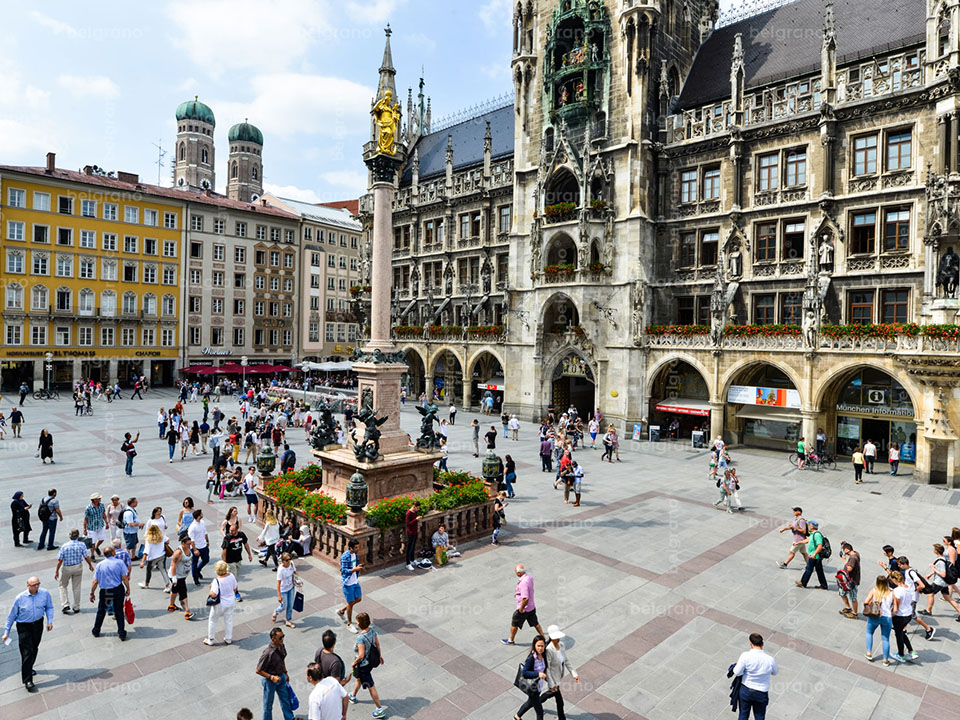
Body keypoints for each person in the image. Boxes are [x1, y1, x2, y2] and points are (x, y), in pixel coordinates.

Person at [2, 577, 54, 692]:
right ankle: (27, 680)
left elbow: (49, 607)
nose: (36, 586)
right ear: (28, 585)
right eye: (34, 584)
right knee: (27, 652)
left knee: (34, 648)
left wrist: (50, 621)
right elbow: (11, 616)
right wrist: (6, 632)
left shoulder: (44, 594)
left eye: (38, 584)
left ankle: (29, 667)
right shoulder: (20, 598)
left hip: (38, 625)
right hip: (24, 626)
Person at [732, 633, 778, 719]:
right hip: (761, 692)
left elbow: (737, 672)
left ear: (751, 643)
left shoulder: (745, 656)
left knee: (743, 714)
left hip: (746, 690)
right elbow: (775, 672)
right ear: (762, 644)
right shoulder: (770, 660)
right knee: (760, 716)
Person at [349, 612, 385, 717]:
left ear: (360, 623)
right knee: (359, 679)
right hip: (370, 662)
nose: (356, 623)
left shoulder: (361, 638)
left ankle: (379, 709)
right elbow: (377, 644)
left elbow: (361, 655)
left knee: (371, 686)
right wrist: (380, 655)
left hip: (363, 665)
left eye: (357, 621)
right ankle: (353, 695)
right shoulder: (373, 631)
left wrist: (354, 663)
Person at [89, 546, 131, 640]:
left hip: (105, 591)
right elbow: (124, 578)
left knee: (101, 611)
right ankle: (121, 633)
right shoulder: (119, 563)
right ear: (113, 553)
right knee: (119, 611)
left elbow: (95, 581)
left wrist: (92, 593)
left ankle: (96, 630)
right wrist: (128, 588)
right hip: (118, 589)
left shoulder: (100, 565)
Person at [256, 627, 295, 720]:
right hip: (270, 681)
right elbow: (258, 670)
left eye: (283, 636)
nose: (282, 639)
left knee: (285, 700)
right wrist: (271, 677)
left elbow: (282, 660)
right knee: (268, 705)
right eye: (280, 638)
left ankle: (289, 718)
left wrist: (285, 673)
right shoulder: (267, 653)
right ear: (273, 639)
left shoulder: (281, 646)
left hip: (281, 677)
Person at [541, 625, 579, 720]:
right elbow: (547, 668)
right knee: (559, 700)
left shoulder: (561, 645)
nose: (558, 639)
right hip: (553, 679)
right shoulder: (549, 649)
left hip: (557, 677)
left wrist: (574, 674)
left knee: (549, 695)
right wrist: (551, 683)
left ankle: (535, 702)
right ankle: (562, 718)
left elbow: (566, 660)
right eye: (555, 637)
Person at [502, 564, 545, 645]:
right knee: (535, 623)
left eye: (515, 571)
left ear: (518, 573)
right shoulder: (529, 577)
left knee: (515, 624)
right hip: (531, 607)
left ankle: (511, 640)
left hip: (524, 609)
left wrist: (521, 609)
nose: (514, 572)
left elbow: (525, 598)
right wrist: (518, 593)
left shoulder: (523, 583)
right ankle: (543, 637)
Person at [55, 529, 95, 614]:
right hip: (78, 567)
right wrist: (90, 565)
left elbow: (60, 559)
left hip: (67, 567)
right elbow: (86, 556)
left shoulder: (64, 546)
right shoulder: (82, 544)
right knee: (76, 587)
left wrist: (57, 571)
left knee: (63, 585)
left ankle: (65, 604)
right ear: (78, 536)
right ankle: (76, 606)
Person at [896, 556, 936, 640]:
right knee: (906, 612)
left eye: (900, 565)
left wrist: (915, 589)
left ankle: (929, 629)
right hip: (910, 596)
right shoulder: (908, 570)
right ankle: (904, 629)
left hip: (912, 598)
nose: (899, 566)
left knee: (913, 615)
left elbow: (922, 585)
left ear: (905, 564)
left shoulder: (911, 572)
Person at [864, 574, 897, 666]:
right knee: (885, 639)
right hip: (887, 617)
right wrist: (892, 615)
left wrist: (872, 604)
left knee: (869, 633)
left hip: (875, 616)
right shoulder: (892, 592)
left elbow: (866, 602)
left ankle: (869, 653)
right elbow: (894, 608)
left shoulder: (874, 591)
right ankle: (885, 660)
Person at [204, 561, 239, 646]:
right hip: (230, 602)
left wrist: (210, 589)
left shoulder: (216, 580)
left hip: (220, 604)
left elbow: (213, 594)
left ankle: (210, 639)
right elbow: (235, 588)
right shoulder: (231, 576)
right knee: (228, 620)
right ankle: (228, 639)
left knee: (213, 620)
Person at [515, 635, 548, 720]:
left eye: (542, 646)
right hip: (533, 688)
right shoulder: (531, 658)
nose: (540, 648)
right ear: (534, 646)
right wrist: (538, 674)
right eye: (538, 646)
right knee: (540, 713)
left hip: (538, 686)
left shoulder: (543, 656)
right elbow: (525, 673)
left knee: (529, 703)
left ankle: (517, 716)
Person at [889, 571, 918, 662]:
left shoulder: (897, 591)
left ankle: (900, 655)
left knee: (899, 635)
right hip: (908, 614)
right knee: (901, 632)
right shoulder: (908, 588)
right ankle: (911, 651)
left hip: (899, 616)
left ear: (894, 579)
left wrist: (890, 615)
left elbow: (896, 607)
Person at [168, 535, 197, 620]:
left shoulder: (188, 548)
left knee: (175, 590)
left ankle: (171, 605)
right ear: (182, 543)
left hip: (183, 574)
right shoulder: (178, 552)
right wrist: (174, 578)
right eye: (188, 544)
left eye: (190, 544)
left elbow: (189, 557)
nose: (189, 546)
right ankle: (187, 612)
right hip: (177, 576)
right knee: (183, 592)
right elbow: (173, 565)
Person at [338, 539, 364, 633]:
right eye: (356, 547)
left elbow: (356, 564)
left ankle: (342, 610)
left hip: (355, 581)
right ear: (350, 548)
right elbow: (344, 571)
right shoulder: (345, 557)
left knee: (359, 598)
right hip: (348, 583)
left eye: (358, 547)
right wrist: (355, 569)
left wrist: (359, 566)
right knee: (350, 602)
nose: (358, 549)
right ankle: (349, 623)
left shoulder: (355, 554)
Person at [221, 522, 252, 602]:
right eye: (230, 530)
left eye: (232, 530)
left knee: (235, 577)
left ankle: (228, 588)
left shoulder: (241, 535)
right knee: (234, 578)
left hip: (238, 559)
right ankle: (236, 593)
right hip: (230, 561)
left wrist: (249, 554)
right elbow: (224, 550)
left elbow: (246, 544)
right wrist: (224, 562)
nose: (230, 532)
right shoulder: (227, 538)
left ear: (237, 530)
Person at [795, 520, 828, 590]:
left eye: (809, 525)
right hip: (815, 556)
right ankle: (824, 585)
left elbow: (820, 546)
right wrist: (798, 543)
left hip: (815, 556)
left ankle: (803, 583)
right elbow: (808, 540)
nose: (808, 526)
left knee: (808, 569)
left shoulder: (817, 535)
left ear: (812, 526)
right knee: (819, 571)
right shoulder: (813, 534)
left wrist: (814, 554)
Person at [138, 524, 170, 591]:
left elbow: (146, 552)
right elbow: (167, 541)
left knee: (149, 571)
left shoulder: (149, 540)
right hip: (161, 555)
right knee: (163, 570)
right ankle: (167, 586)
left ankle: (146, 584)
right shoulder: (162, 536)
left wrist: (142, 562)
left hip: (152, 558)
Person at [272, 553, 300, 628]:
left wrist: (298, 580)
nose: (289, 561)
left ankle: (288, 620)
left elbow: (294, 573)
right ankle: (276, 611)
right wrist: (279, 595)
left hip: (291, 587)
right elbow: (278, 583)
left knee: (290, 605)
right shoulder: (281, 570)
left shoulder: (291, 564)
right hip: (283, 589)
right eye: (287, 560)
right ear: (283, 561)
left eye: (290, 559)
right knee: (284, 605)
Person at [838, 541, 861, 618]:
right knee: (842, 593)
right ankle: (848, 608)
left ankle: (855, 613)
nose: (844, 552)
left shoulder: (853, 558)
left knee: (853, 597)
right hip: (847, 580)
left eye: (844, 550)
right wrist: (844, 543)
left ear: (847, 550)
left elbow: (849, 568)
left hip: (852, 581)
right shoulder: (856, 553)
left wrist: (844, 560)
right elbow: (848, 547)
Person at [188, 508, 210, 584]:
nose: (202, 515)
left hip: (204, 545)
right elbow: (192, 540)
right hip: (196, 547)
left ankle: (198, 570)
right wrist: (194, 550)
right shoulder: (192, 527)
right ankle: (195, 578)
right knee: (194, 563)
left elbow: (205, 532)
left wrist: (207, 540)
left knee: (206, 559)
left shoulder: (202, 522)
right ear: (198, 516)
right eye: (201, 514)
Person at [404, 500, 422, 571]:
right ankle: (408, 563)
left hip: (415, 531)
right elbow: (408, 523)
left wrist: (417, 519)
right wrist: (416, 519)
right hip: (410, 532)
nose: (418, 509)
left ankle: (412, 560)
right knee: (409, 548)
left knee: (413, 546)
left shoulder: (415, 512)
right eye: (417, 508)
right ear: (414, 507)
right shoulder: (409, 513)